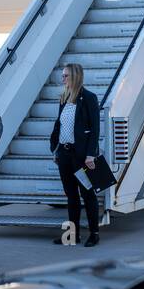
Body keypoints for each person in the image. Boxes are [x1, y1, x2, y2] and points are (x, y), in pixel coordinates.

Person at [48, 63, 102, 246]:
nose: (62, 79)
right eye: (62, 76)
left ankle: (94, 233)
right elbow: (60, 125)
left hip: (81, 156)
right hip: (65, 154)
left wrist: (90, 155)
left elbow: (95, 130)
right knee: (70, 195)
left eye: (65, 76)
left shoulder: (89, 98)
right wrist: (55, 148)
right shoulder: (64, 98)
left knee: (87, 194)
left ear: (76, 76)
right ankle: (73, 235)